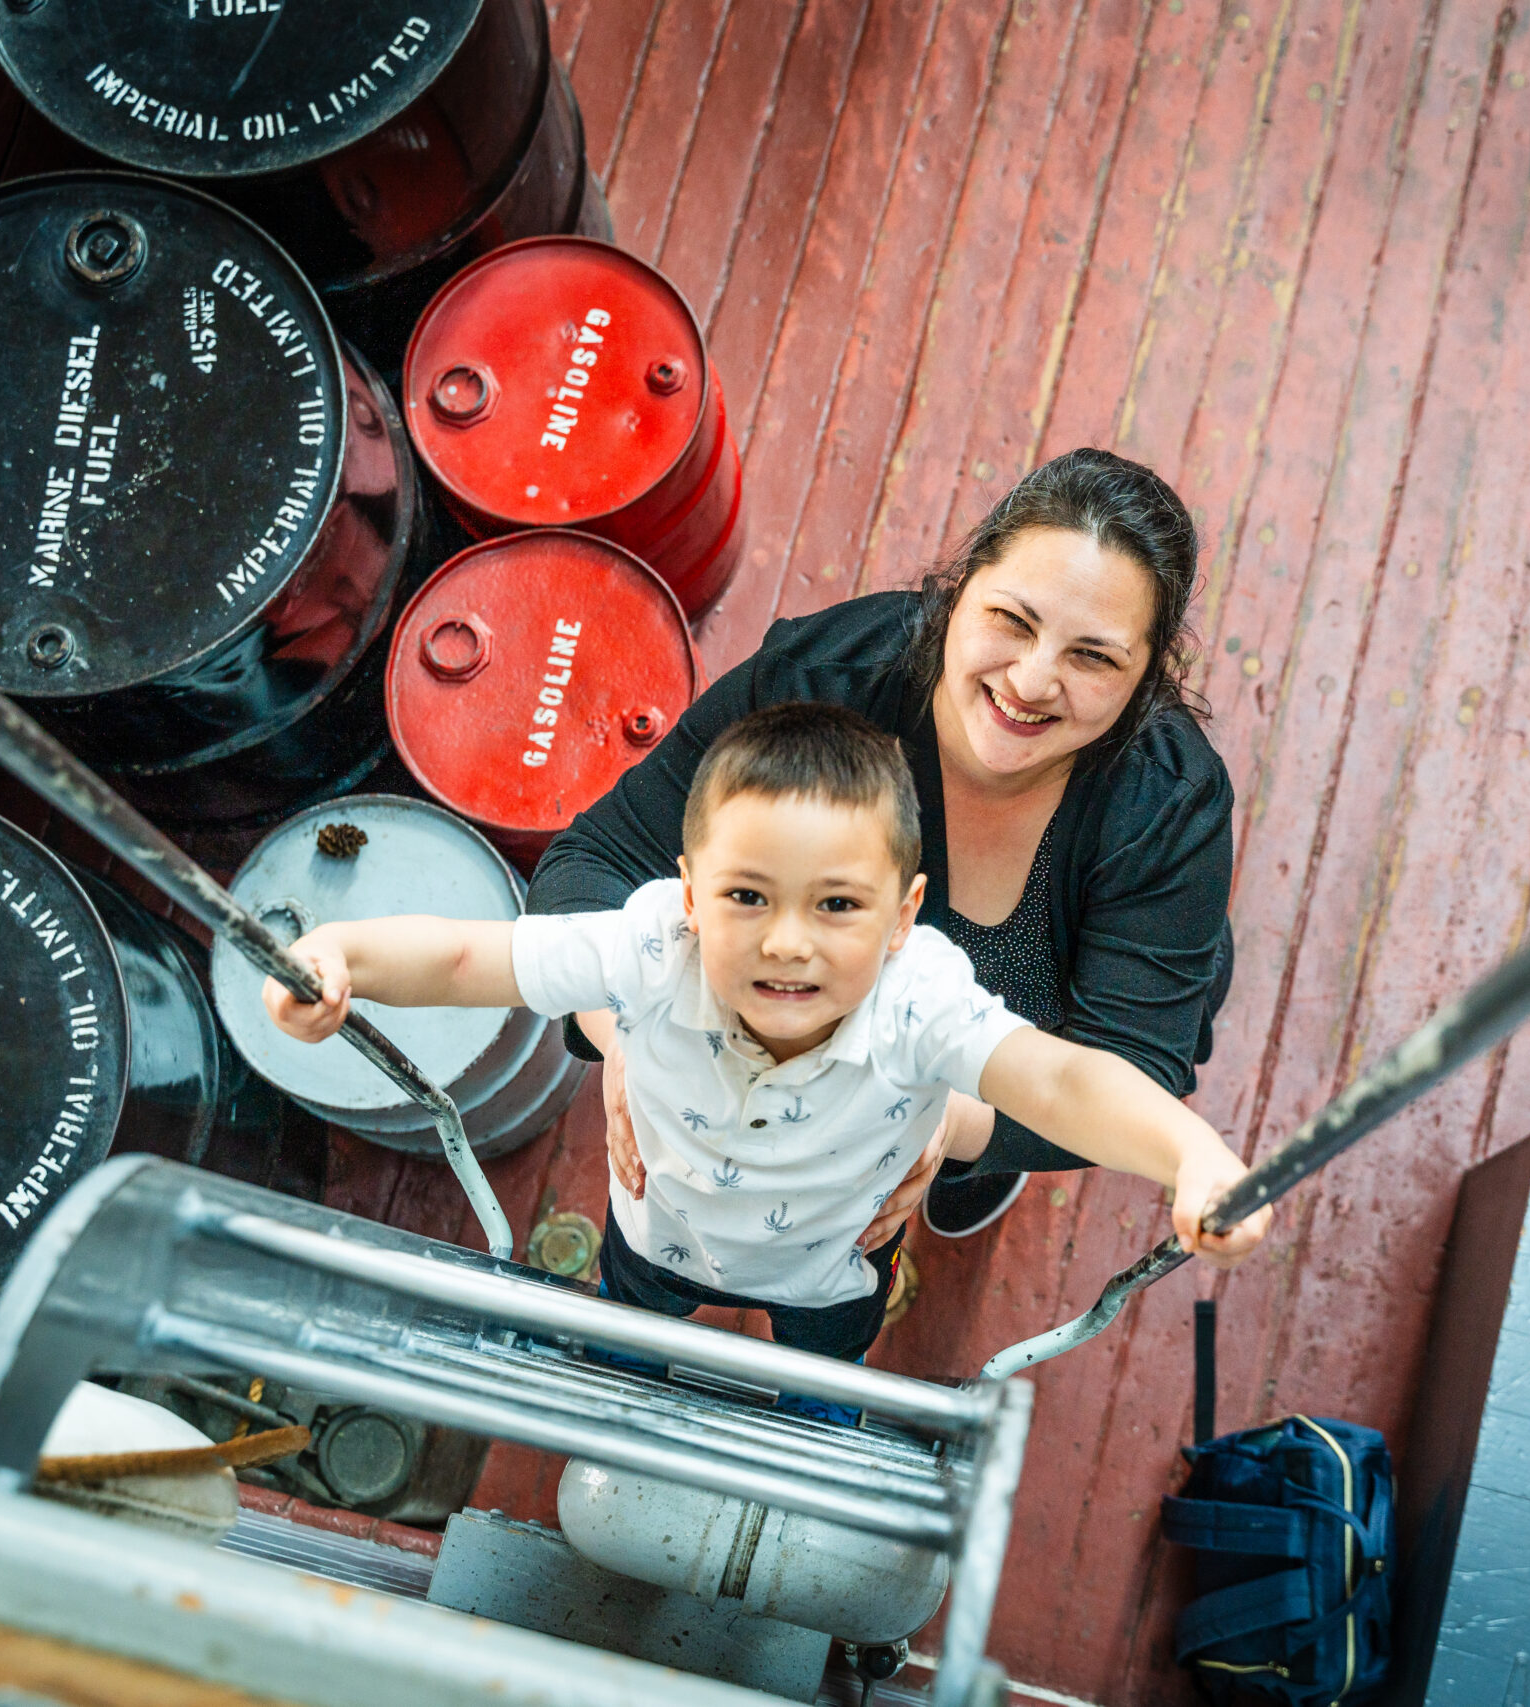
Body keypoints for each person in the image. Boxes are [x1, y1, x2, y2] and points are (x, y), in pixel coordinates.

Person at [263, 703, 1271, 1376]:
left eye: (836, 904)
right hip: (659, 1227)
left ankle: (823, 1403)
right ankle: (628, 1367)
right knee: (628, 1331)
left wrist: (1188, 1153)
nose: (786, 944)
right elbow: (462, 961)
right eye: (747, 896)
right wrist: (346, 953)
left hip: (833, 1260)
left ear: (903, 912)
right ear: (692, 893)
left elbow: (1054, 1080)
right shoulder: (652, 942)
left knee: (825, 1364)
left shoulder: (920, 997)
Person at [531, 448, 1234, 1250]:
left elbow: (1126, 1066)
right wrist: (626, 1031)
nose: (1033, 681)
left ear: (1147, 681)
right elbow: (588, 864)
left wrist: (947, 1123)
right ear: (962, 589)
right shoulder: (824, 680)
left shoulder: (1169, 804)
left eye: (1094, 656)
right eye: (1012, 619)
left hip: (1040, 1047)